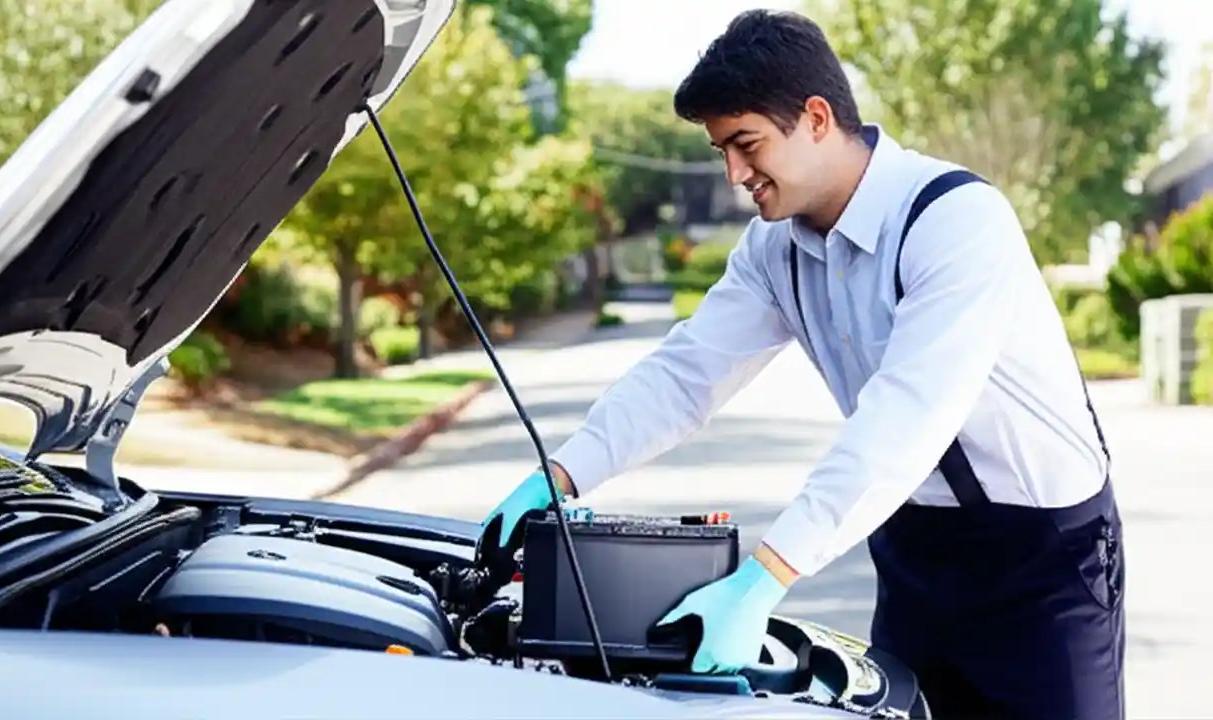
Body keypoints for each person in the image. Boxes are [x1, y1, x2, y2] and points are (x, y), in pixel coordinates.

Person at [482, 9, 1124, 719]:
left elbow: (910, 415)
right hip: (911, 548)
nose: (733, 173)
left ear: (817, 117)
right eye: (722, 150)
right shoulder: (774, 250)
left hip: (1042, 562)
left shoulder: (954, 219)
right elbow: (688, 372)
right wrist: (562, 474)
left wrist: (766, 575)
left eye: (746, 143)